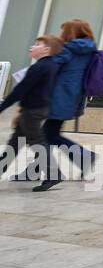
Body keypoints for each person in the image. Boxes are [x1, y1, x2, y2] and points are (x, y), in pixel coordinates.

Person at [42, 19, 99, 186]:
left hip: (59, 95)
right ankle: (38, 169)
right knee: (47, 134)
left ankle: (85, 157)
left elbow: (51, 66)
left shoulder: (67, 49)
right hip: (73, 96)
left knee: (47, 135)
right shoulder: (89, 48)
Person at [0, 35, 62, 189]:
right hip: (37, 109)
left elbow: (20, 90)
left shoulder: (39, 67)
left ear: (46, 49)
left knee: (37, 143)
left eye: (37, 44)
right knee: (15, 143)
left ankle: (54, 174)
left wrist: (2, 107)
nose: (32, 47)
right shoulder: (52, 65)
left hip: (33, 111)